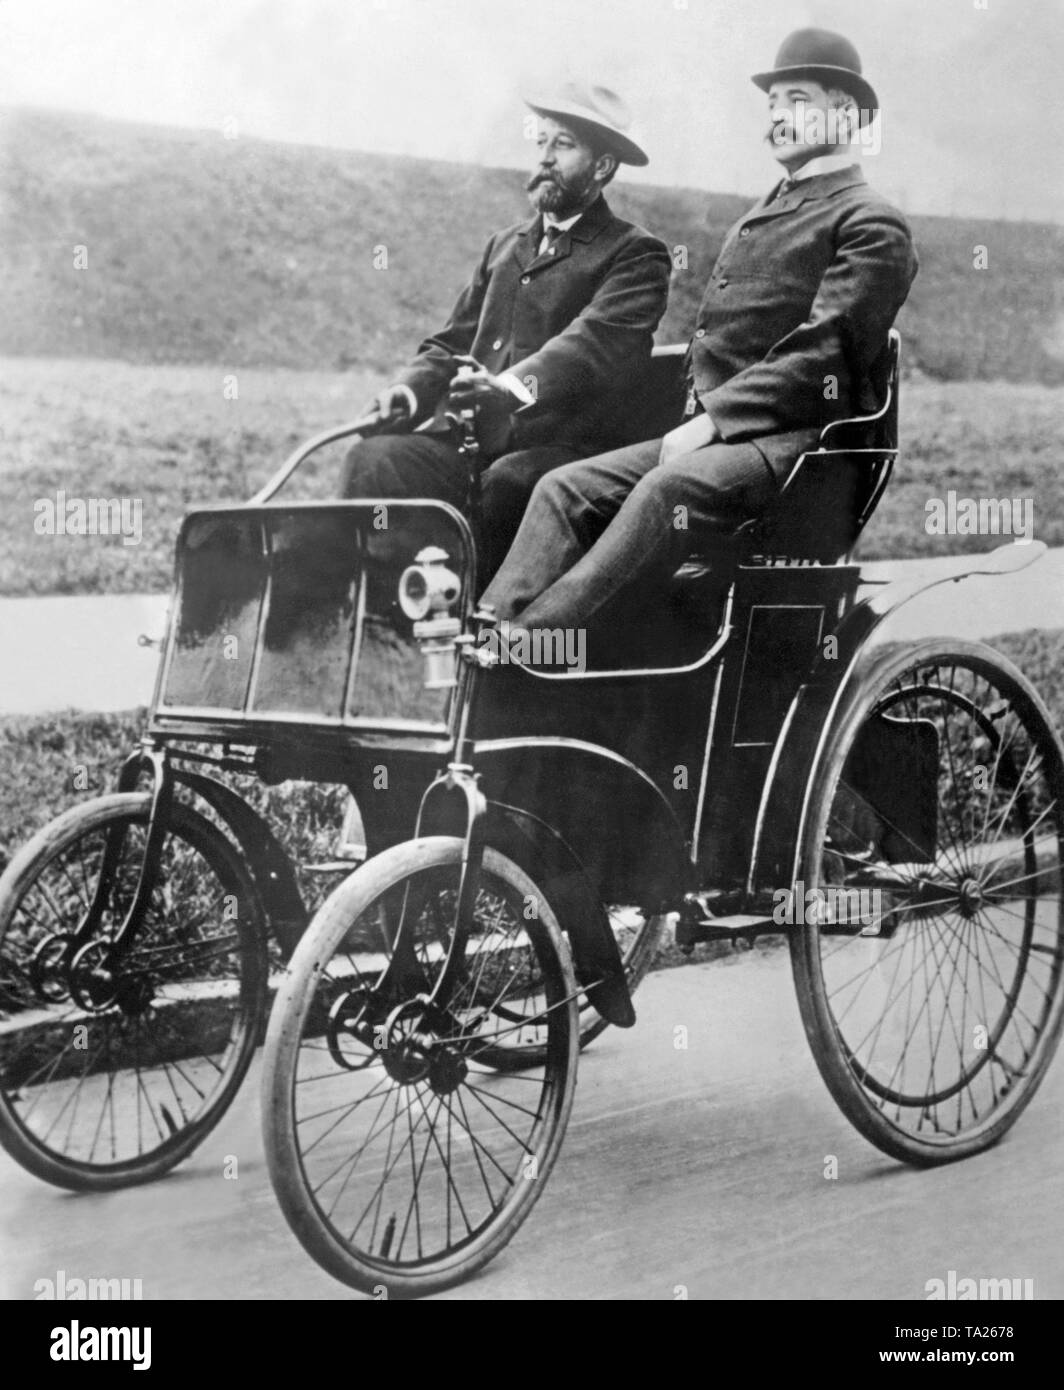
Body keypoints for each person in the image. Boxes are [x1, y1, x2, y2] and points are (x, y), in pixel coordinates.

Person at [481, 30, 918, 636]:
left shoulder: (871, 221)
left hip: (801, 450)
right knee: (561, 487)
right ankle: (485, 631)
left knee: (667, 491)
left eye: (794, 100)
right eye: (771, 105)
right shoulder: (764, 212)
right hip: (721, 440)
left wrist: (711, 422)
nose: (776, 118)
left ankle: (530, 647)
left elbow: (827, 353)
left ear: (844, 112)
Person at [340, 82, 672, 580]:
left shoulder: (634, 253)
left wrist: (507, 390)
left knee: (509, 482)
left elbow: (594, 344)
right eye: (541, 142)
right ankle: (397, 620)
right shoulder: (503, 246)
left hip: (560, 449)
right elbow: (451, 343)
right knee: (377, 459)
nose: (544, 158)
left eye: (563, 145)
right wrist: (406, 392)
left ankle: (487, 636)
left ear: (602, 167)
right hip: (473, 441)